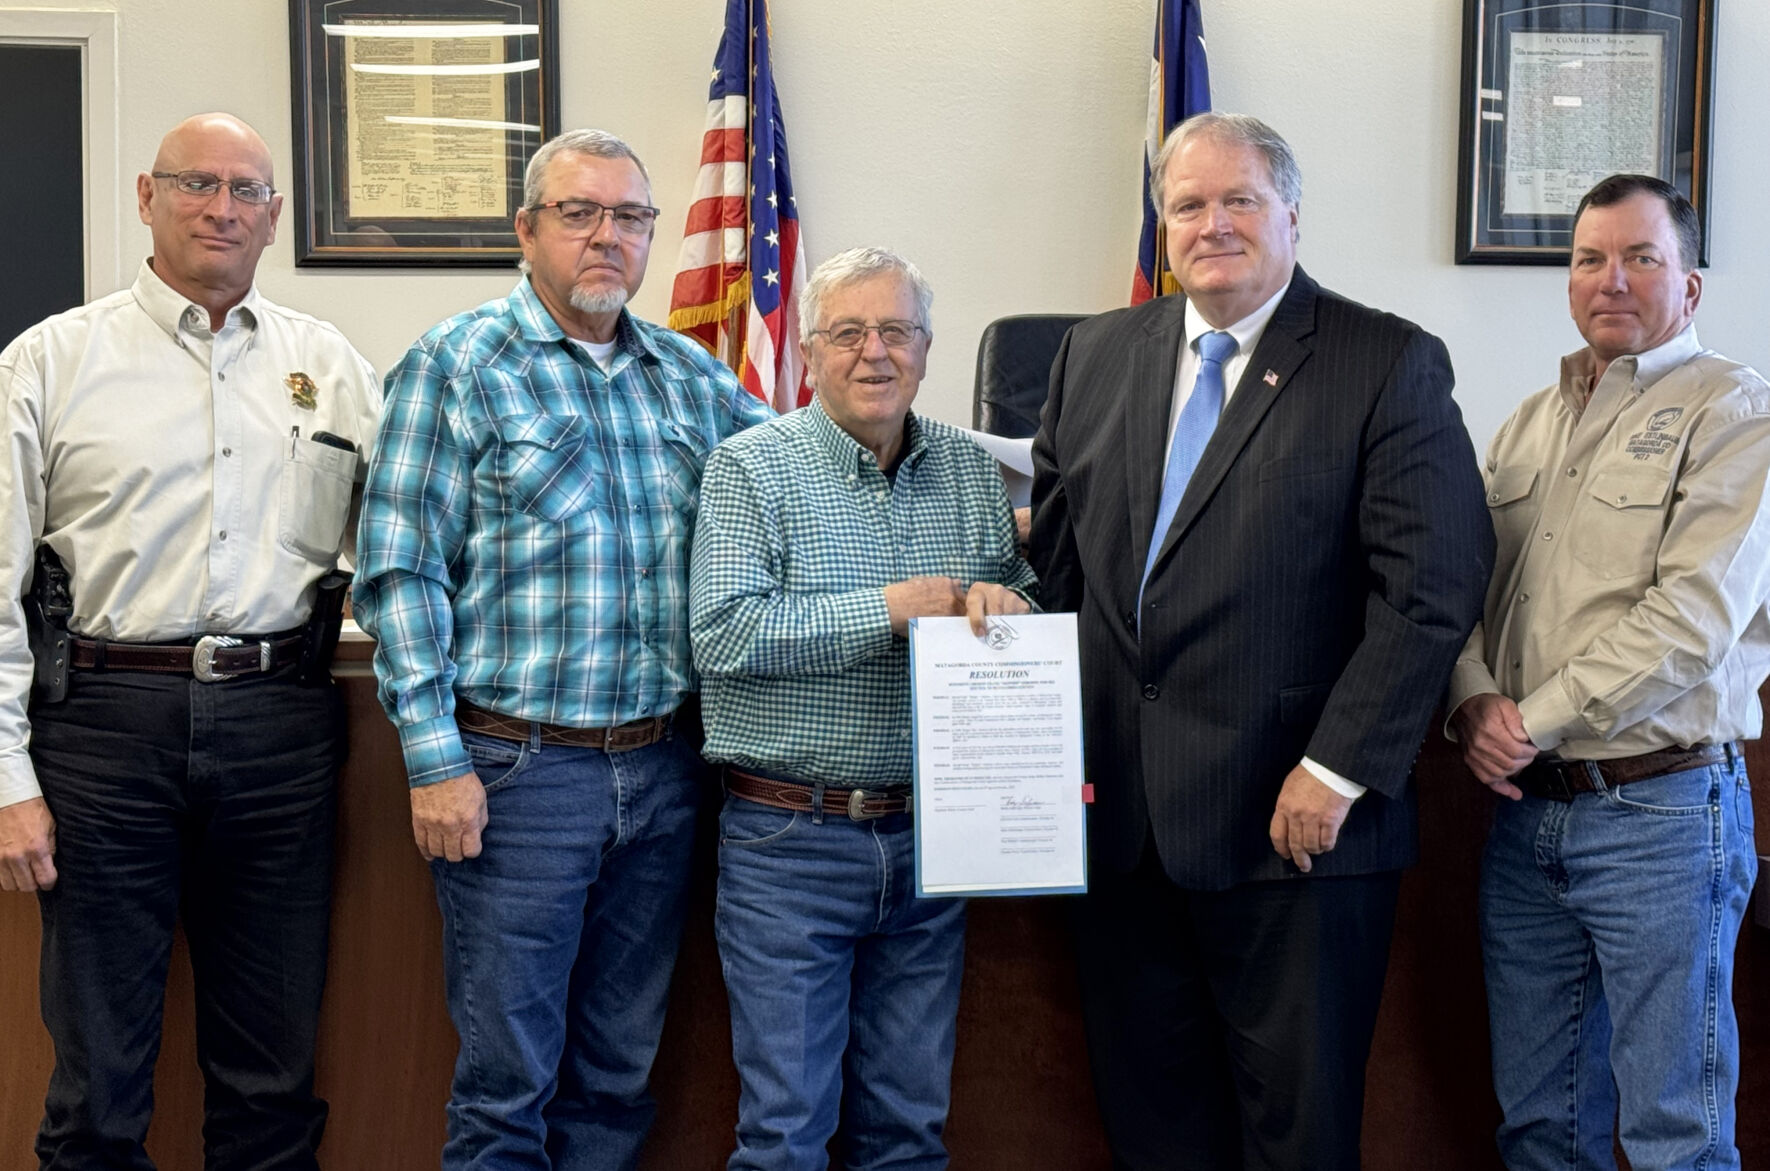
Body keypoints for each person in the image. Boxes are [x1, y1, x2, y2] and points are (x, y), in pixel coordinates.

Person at [1028, 111, 1493, 1169]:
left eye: (1240, 199)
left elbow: (1434, 585)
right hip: (1123, 830)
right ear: (1164, 222)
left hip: (1295, 834)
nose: (1214, 224)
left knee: (1298, 1139)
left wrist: (1336, 769)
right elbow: (1057, 572)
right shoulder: (1094, 354)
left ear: (1291, 212)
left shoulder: (1387, 361)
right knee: (1152, 1128)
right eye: (1188, 204)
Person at [354, 127, 772, 1169]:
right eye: (580, 213)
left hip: (666, 771)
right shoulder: (456, 366)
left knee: (618, 1079)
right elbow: (401, 572)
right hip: (517, 774)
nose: (607, 238)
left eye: (630, 217)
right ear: (526, 229)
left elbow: (805, 474)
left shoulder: (688, 376)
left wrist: (977, 509)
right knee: (507, 1089)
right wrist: (434, 755)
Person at [0, 112, 380, 1168]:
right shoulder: (48, 362)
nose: (222, 208)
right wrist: (6, 781)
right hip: (103, 731)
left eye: (246, 191)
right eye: (196, 184)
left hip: (282, 727)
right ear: (145, 197)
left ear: (273, 218)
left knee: (273, 1074)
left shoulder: (333, 367)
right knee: (98, 1081)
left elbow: (397, 551)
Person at [689, 246, 1036, 1170]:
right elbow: (722, 634)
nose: (873, 352)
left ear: (926, 349)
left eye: (896, 330)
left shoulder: (970, 471)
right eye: (848, 332)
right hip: (787, 844)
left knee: (908, 1132)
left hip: (934, 840)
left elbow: (1027, 596)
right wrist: (885, 610)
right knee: (784, 1134)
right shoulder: (750, 469)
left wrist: (1013, 608)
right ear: (809, 350)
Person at [1447, 173, 1764, 1171]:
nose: (1610, 280)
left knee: (1675, 1134)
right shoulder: (1526, 425)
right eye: (1589, 258)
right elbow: (1462, 587)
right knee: (1542, 1128)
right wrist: (1471, 704)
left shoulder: (1736, 413)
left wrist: (1529, 716)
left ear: (1691, 285)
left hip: (1660, 815)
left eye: (1640, 257)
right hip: (1526, 818)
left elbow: (1692, 619)